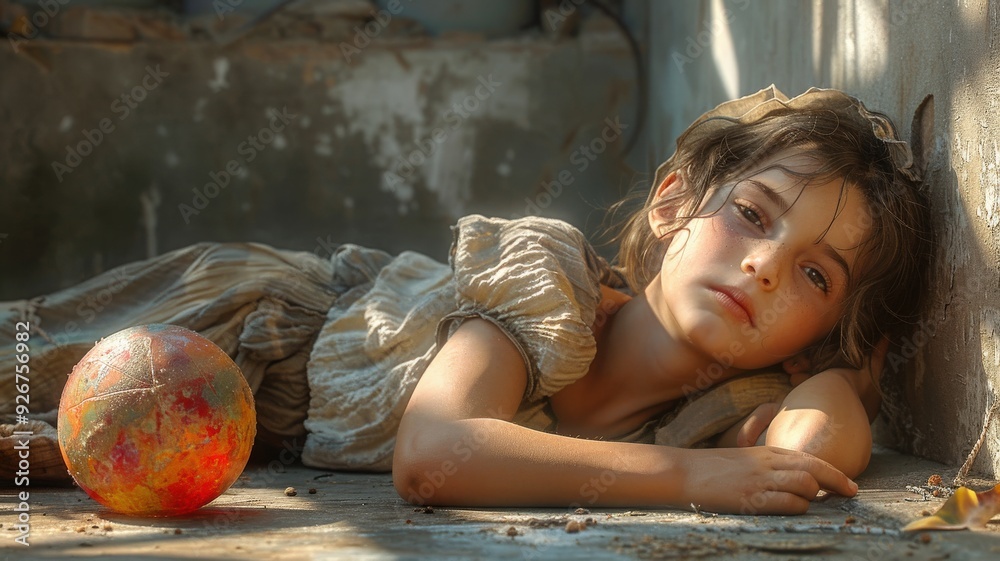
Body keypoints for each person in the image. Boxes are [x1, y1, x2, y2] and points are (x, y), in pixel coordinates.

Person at [0, 86, 932, 515]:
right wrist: (693, 480)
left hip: (224, 430)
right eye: (752, 214)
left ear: (817, 336)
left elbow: (811, 457)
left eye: (816, 275)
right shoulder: (552, 281)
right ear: (672, 204)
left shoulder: (717, 413)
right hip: (251, 317)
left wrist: (848, 372)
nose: (765, 266)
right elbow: (435, 455)